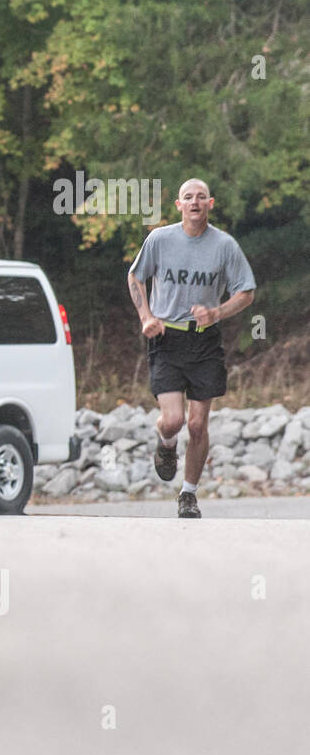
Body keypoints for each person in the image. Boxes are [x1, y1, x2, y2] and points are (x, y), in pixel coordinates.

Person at [127, 178, 256, 519]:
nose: (195, 202)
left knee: (198, 425)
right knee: (173, 421)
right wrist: (146, 317)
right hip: (166, 338)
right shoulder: (160, 239)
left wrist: (217, 312)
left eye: (201, 197)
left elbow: (246, 292)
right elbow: (135, 277)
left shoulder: (225, 246)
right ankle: (166, 444)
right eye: (188, 197)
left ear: (211, 204)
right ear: (178, 205)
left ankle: (188, 494)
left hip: (204, 339)